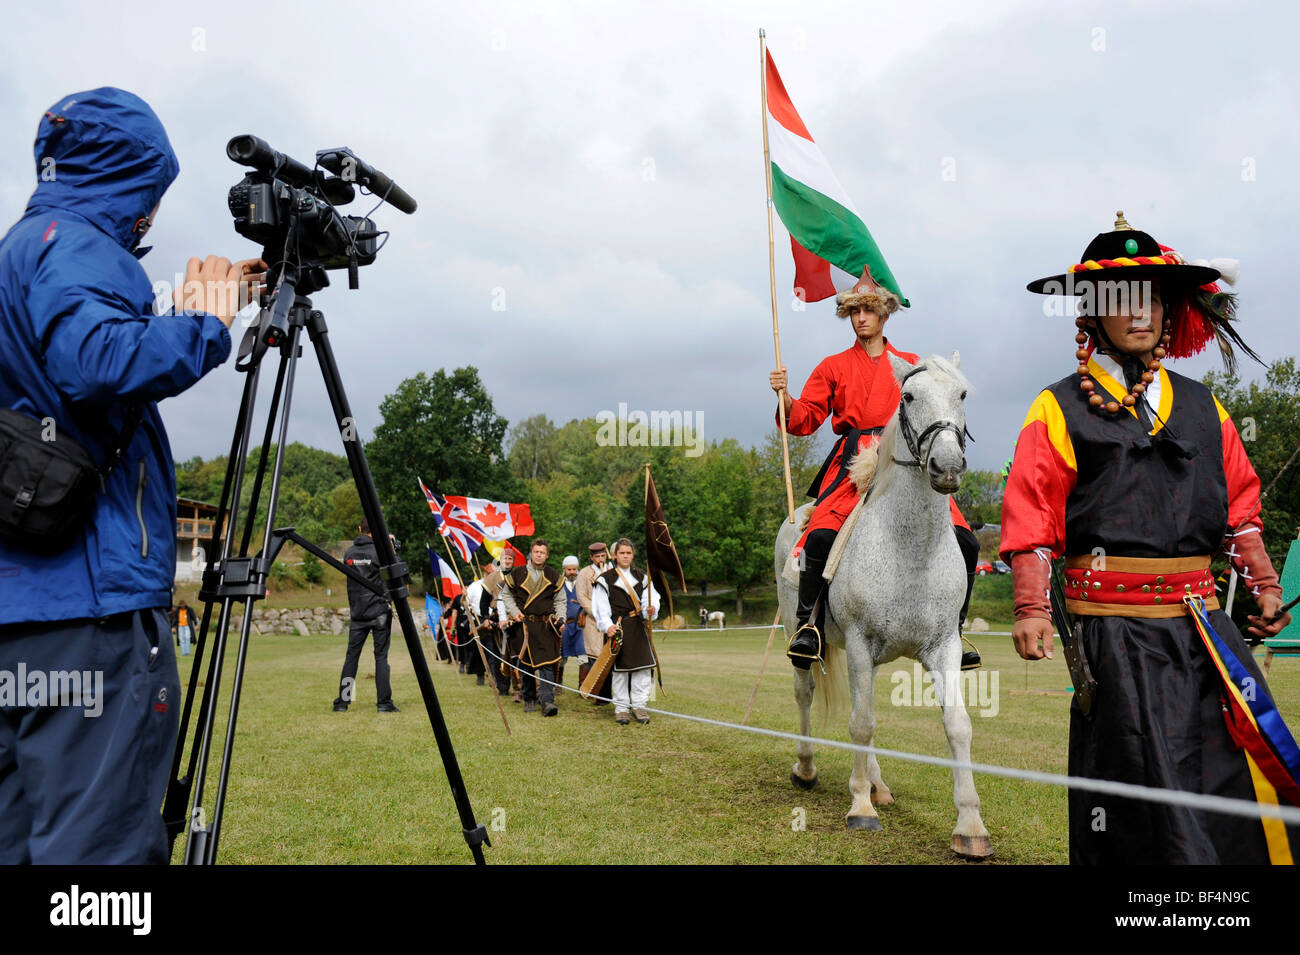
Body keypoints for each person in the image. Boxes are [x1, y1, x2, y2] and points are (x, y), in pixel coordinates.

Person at [0, 88, 262, 863]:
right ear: (131, 181)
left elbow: (63, 358)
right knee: (97, 852)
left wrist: (184, 305)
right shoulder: (80, 245)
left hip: (21, 612)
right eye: (150, 194)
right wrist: (208, 321)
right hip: (92, 609)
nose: (150, 215)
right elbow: (95, 360)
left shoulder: (27, 245)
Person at [1002, 211, 1299, 864]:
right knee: (1145, 801)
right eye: (1121, 299)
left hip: (1207, 638)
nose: (1140, 312)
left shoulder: (1203, 407)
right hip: (1117, 642)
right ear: (1093, 314)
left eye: (1152, 297)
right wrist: (1028, 606)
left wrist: (1266, 585)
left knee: (1234, 785)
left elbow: (1241, 510)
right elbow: (1032, 514)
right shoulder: (1057, 408)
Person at [769, 270, 978, 669]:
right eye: (855, 311)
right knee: (820, 535)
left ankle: (956, 627)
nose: (862, 317)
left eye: (869, 310)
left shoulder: (914, 365)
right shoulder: (833, 366)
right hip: (853, 463)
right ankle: (807, 626)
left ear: (885, 315)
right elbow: (805, 420)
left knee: (966, 541)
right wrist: (786, 397)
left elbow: (940, 407)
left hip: (906, 461)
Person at [593, 539, 661, 724]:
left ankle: (640, 706)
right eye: (621, 553)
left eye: (628, 553)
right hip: (619, 629)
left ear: (633, 555)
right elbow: (600, 607)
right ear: (614, 555)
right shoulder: (604, 579)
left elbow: (652, 597)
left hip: (639, 627)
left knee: (642, 668)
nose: (625, 556)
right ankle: (621, 708)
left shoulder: (642, 576)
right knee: (620, 671)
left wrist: (651, 609)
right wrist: (607, 626)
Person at [333, 518, 398, 713]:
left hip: (357, 612)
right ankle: (383, 703)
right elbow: (396, 573)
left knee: (351, 657)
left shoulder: (349, 553)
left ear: (359, 529)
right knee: (380, 657)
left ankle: (343, 703)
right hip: (378, 611)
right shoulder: (381, 551)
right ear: (375, 531)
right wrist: (390, 547)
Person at [501, 539, 566, 716]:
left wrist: (561, 618)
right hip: (525, 626)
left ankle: (547, 701)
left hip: (545, 626)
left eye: (542, 552)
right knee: (527, 664)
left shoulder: (553, 575)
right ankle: (529, 698)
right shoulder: (517, 573)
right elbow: (506, 595)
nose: (539, 555)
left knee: (547, 664)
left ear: (547, 555)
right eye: (536, 551)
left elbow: (560, 600)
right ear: (531, 552)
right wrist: (514, 612)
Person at [575, 541, 611, 701]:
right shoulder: (584, 573)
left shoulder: (612, 570)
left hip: (612, 619)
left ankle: (608, 692)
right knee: (594, 655)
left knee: (611, 654)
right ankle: (594, 691)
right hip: (593, 620)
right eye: (597, 556)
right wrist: (597, 612)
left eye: (603, 555)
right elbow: (582, 596)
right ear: (591, 557)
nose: (601, 559)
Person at [557, 555, 584, 687]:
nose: (572, 572)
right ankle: (558, 684)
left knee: (583, 656)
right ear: (564, 569)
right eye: (569, 569)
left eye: (574, 569)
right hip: (565, 625)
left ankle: (583, 687)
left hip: (581, 625)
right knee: (561, 657)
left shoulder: (583, 583)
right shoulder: (559, 584)